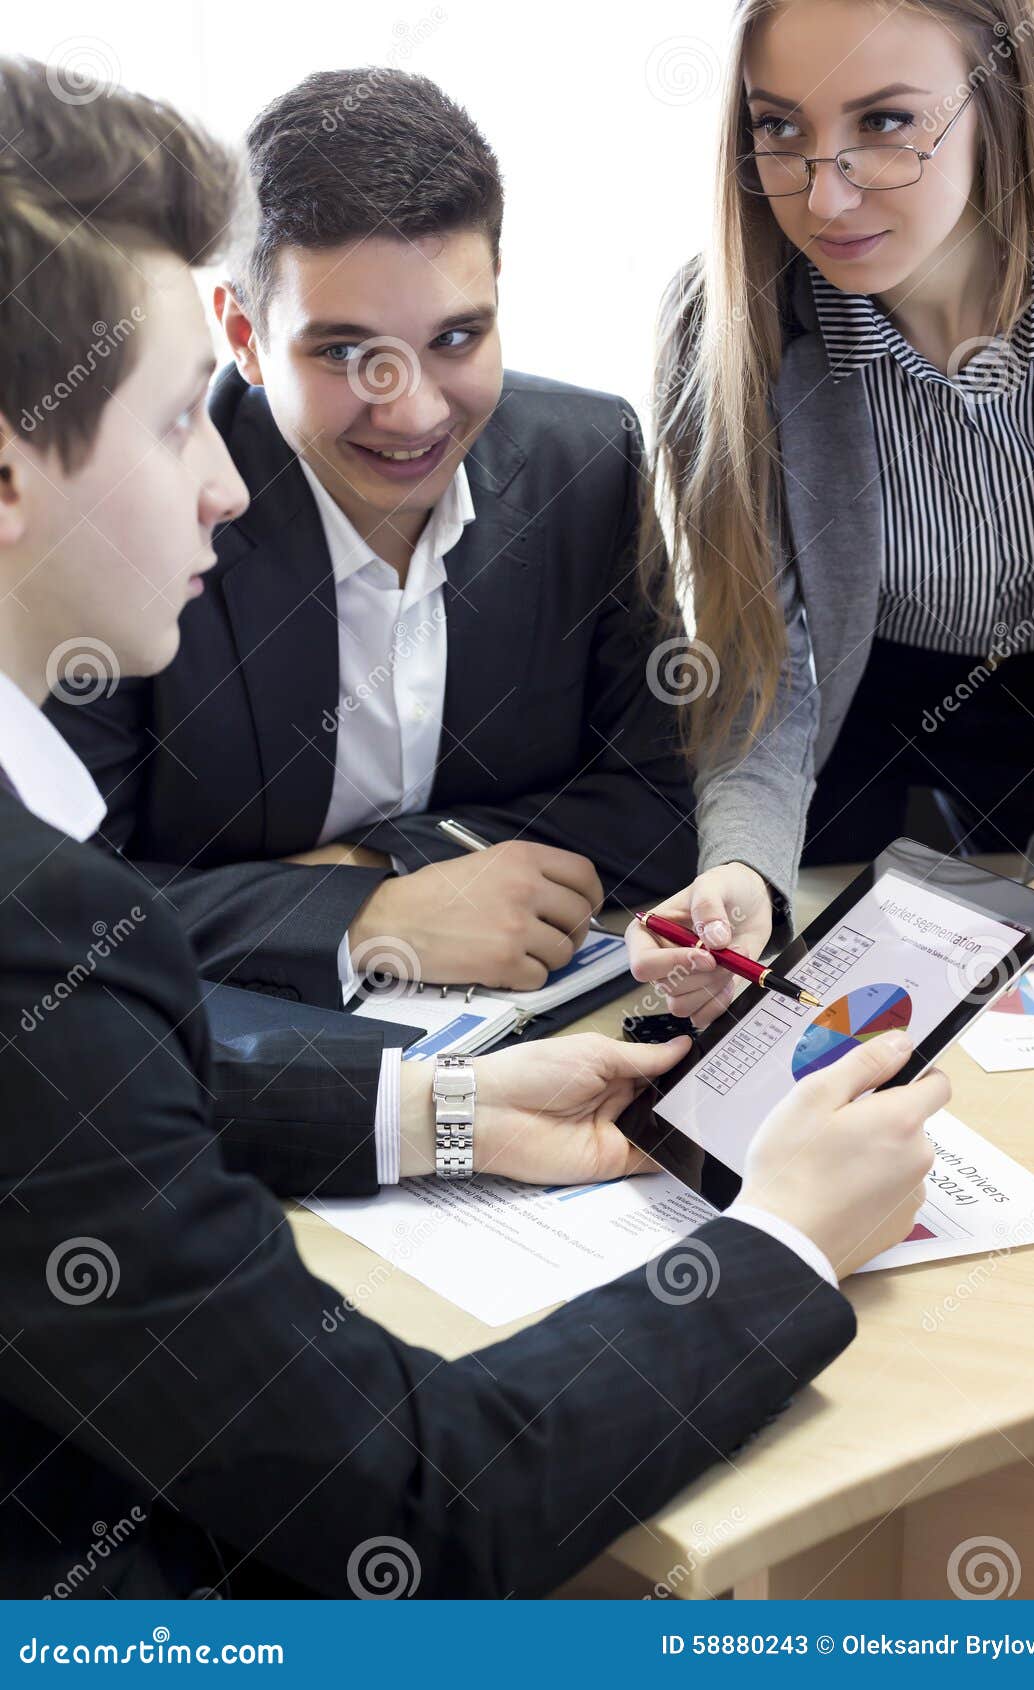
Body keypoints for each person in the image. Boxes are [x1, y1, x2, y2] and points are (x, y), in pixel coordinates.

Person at [0, 56, 948, 1601]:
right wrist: (778, 1238)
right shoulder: (37, 921)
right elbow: (418, 1505)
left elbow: (81, 1116)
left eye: (457, 335)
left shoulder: (573, 462)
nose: (222, 486)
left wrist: (447, 1109)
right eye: (183, 419)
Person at [48, 66, 698, 1012]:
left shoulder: (586, 461)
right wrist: (363, 919)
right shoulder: (136, 509)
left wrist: (379, 862)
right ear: (243, 333)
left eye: (455, 339)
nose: (415, 412)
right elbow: (60, 909)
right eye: (346, 353)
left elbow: (655, 807)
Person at [628, 0, 1034, 1025]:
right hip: (852, 710)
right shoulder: (727, 325)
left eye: (882, 124)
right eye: (779, 126)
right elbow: (757, 660)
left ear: (995, 105)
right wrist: (742, 868)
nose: (820, 194)